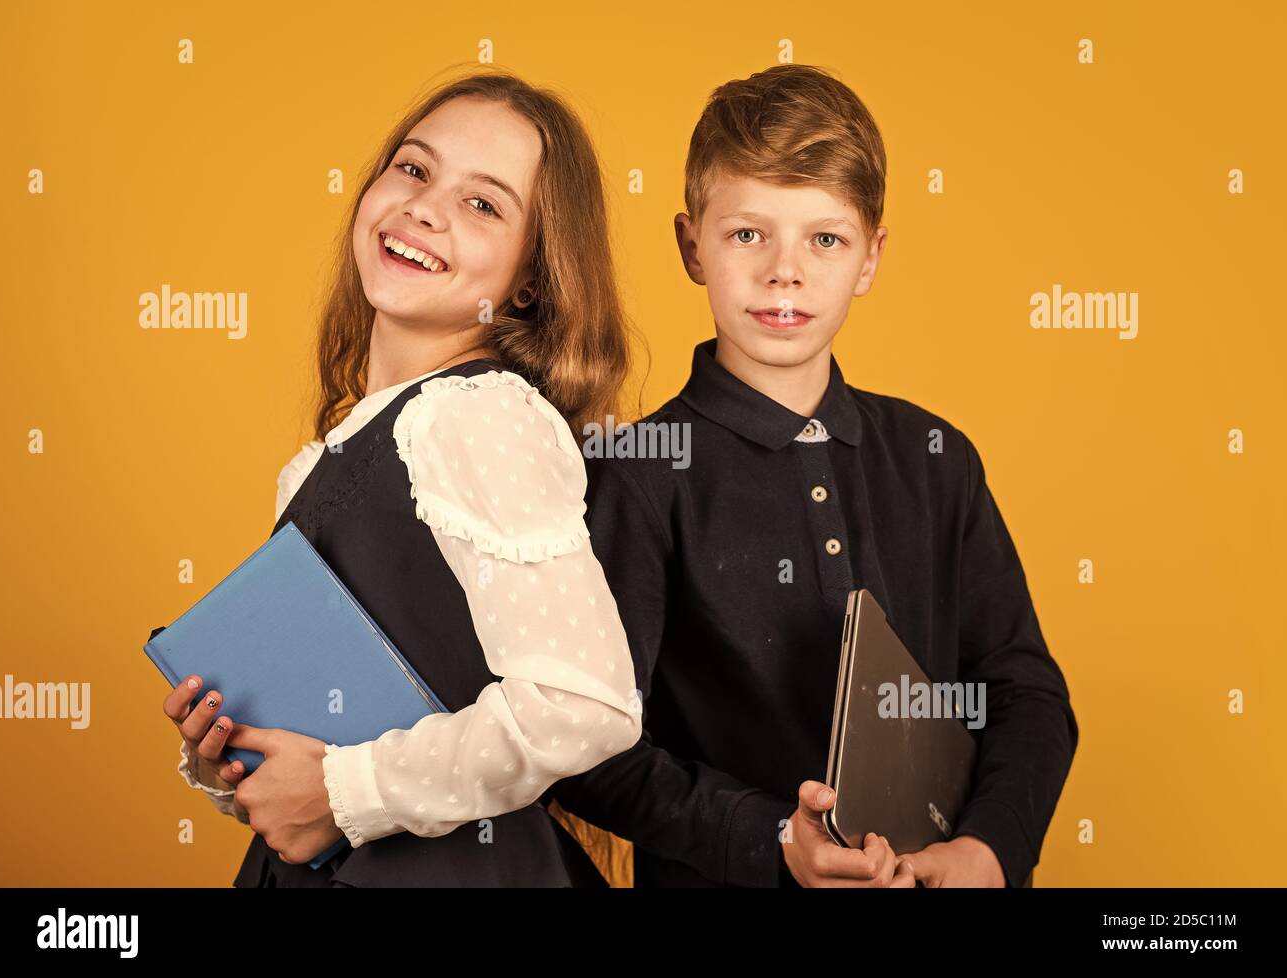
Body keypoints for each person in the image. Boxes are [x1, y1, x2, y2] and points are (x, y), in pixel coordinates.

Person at [546, 64, 1079, 888]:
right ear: (692, 245)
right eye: (747, 234)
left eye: (824, 239)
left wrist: (988, 850)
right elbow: (588, 752)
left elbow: (1026, 693)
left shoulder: (938, 458)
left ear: (871, 256)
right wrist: (771, 840)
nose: (783, 271)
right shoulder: (634, 475)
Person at [160, 69, 642, 887]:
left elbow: (586, 706)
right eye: (414, 170)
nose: (425, 207)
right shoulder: (332, 455)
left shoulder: (482, 414)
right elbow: (334, 745)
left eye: (483, 203)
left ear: (530, 279)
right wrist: (233, 759)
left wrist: (346, 790)